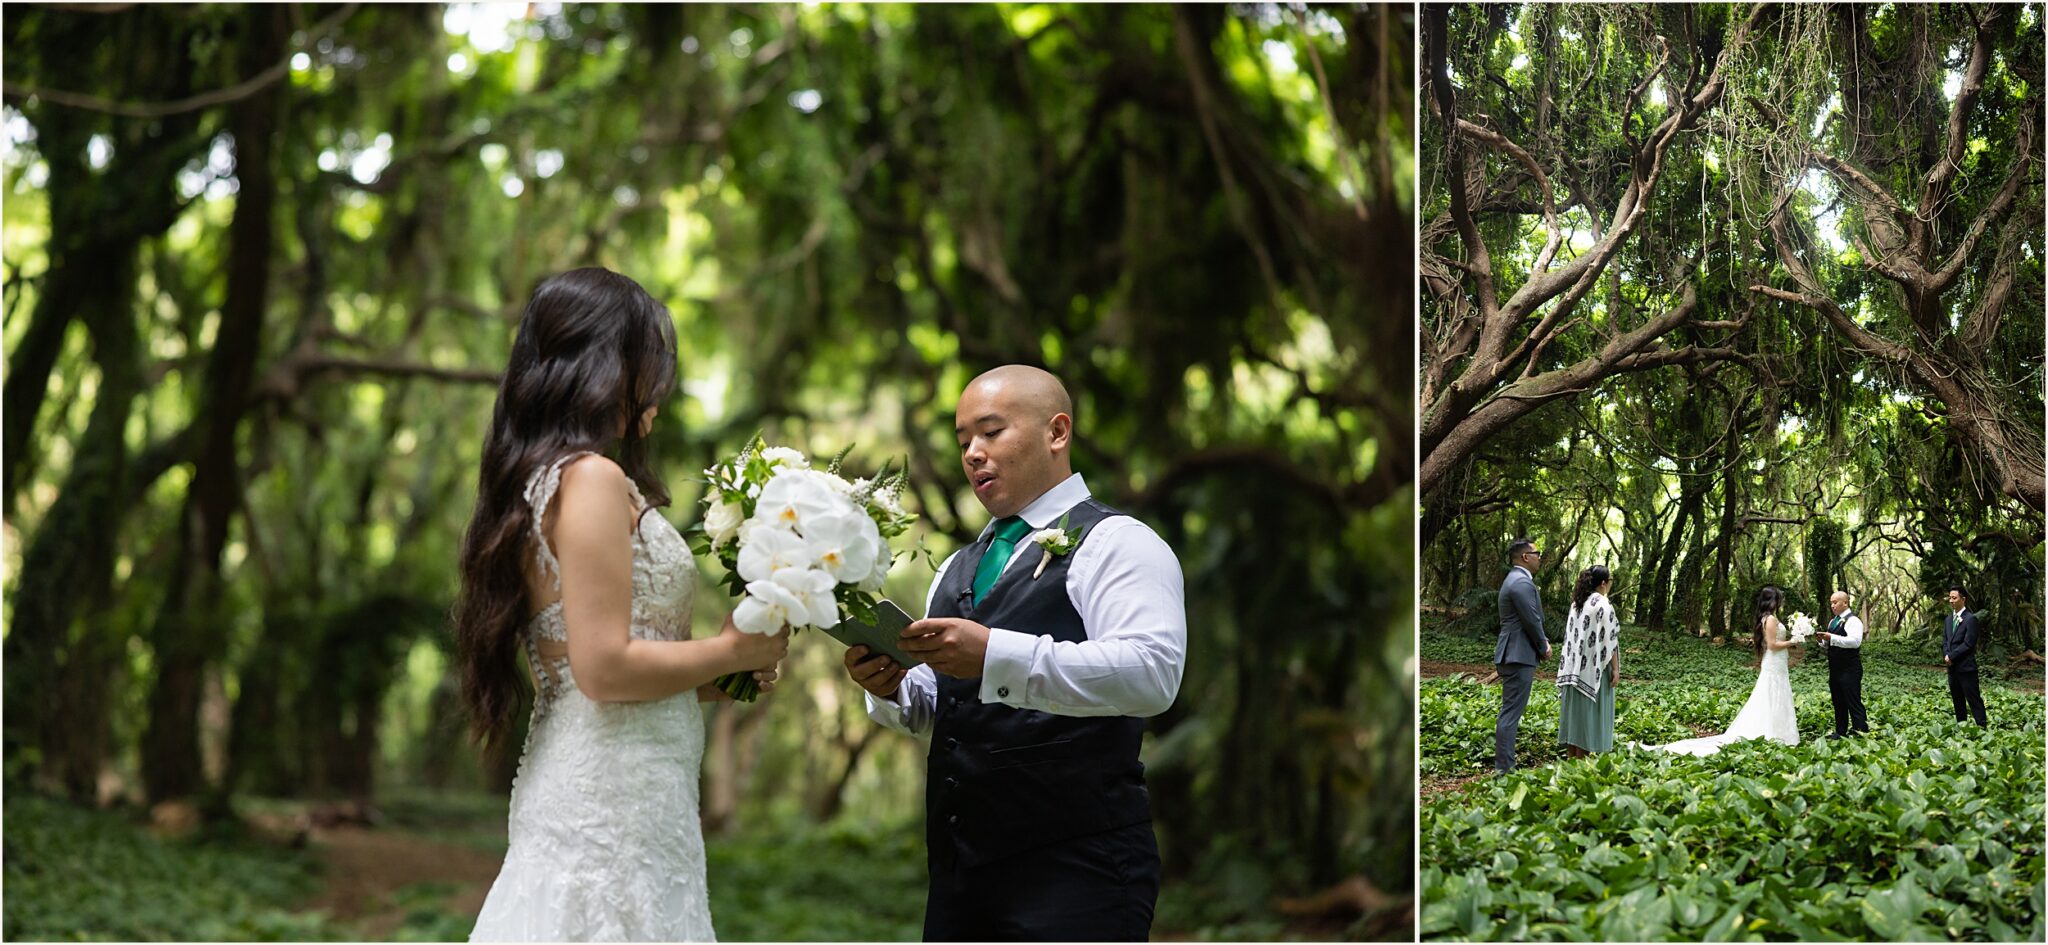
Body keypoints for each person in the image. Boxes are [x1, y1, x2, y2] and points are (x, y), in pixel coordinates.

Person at [455, 268, 787, 941]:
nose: (660, 382)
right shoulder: (591, 479)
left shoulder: (550, 479)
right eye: (650, 359)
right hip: (609, 804)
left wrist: (721, 677)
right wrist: (731, 649)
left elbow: (597, 663)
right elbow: (602, 671)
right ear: (607, 363)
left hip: (633, 792)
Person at [841, 365, 1187, 941]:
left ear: (1057, 432)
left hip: (1080, 869)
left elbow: (1152, 675)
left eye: (991, 432)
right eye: (962, 442)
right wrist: (892, 684)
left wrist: (996, 655)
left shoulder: (1120, 543)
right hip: (959, 874)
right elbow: (941, 701)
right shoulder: (956, 567)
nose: (973, 453)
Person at [1642, 586, 1801, 756]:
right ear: (1773, 601)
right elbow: (1772, 645)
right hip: (1773, 662)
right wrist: (1793, 641)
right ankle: (1771, 732)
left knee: (1777, 694)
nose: (1781, 602)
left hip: (1778, 662)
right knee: (1770, 694)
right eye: (1779, 599)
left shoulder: (1771, 618)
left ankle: (1780, 731)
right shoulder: (1769, 619)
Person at [1494, 539, 1550, 773]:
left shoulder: (1514, 580)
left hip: (1513, 652)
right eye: (1537, 553)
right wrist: (1543, 645)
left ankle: (1504, 766)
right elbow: (1531, 619)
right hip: (1519, 654)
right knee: (1510, 714)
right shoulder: (1521, 583)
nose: (1540, 557)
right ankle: (1505, 770)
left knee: (1510, 711)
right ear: (1526, 557)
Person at [1556, 566, 1618, 757]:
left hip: (1574, 669)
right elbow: (1610, 639)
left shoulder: (1577, 603)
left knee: (1576, 718)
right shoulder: (1603, 605)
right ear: (1603, 583)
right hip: (1594, 668)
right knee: (1589, 718)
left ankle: (1571, 761)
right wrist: (1615, 669)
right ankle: (1582, 766)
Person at [1815, 590, 1868, 738]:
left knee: (1853, 700)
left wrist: (1831, 637)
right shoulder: (1833, 621)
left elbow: (1855, 642)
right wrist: (1822, 641)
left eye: (1835, 602)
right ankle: (1840, 731)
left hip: (1850, 668)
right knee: (1838, 701)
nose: (1832, 605)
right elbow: (1830, 644)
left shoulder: (1854, 621)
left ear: (1845, 602)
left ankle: (1860, 731)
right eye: (1831, 602)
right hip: (1835, 668)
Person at [1942, 585, 1987, 727]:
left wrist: (1952, 656)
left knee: (1973, 699)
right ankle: (1961, 726)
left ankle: (1982, 726)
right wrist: (1946, 655)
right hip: (1952, 669)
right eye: (1949, 598)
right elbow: (1945, 641)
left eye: (1954, 598)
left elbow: (1968, 644)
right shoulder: (1948, 620)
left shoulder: (1970, 619)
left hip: (1966, 668)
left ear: (1963, 599)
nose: (1951, 601)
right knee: (1957, 700)